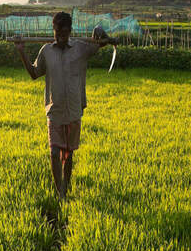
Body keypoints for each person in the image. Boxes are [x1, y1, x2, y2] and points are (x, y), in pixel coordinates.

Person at [14, 11, 116, 200]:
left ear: (70, 31)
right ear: (54, 30)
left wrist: (102, 34)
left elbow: (101, 42)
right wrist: (21, 50)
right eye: (58, 33)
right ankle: (59, 190)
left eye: (65, 33)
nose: (62, 37)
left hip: (74, 110)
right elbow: (35, 73)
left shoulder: (81, 48)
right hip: (54, 110)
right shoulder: (46, 51)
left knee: (68, 154)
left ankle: (66, 187)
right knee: (54, 152)